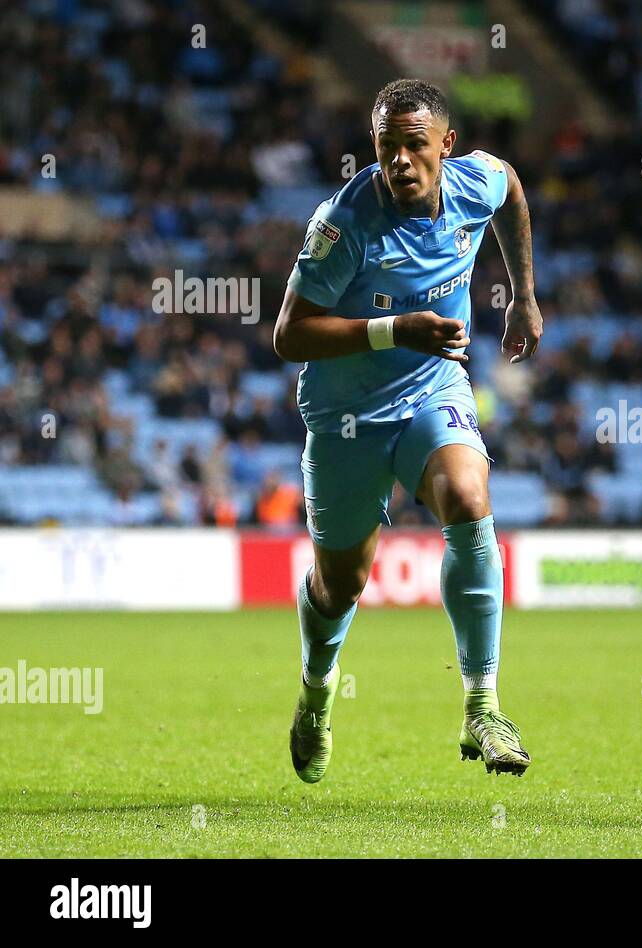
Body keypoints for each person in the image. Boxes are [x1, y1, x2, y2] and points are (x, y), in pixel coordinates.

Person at [272, 79, 543, 781]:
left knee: (468, 497)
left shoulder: (474, 184)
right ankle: (316, 692)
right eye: (386, 147)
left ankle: (482, 705)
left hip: (433, 390)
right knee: (341, 583)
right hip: (345, 417)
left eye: (414, 146)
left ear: (445, 147)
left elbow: (511, 187)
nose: (398, 162)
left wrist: (522, 295)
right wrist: (398, 329)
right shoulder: (343, 221)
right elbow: (289, 334)